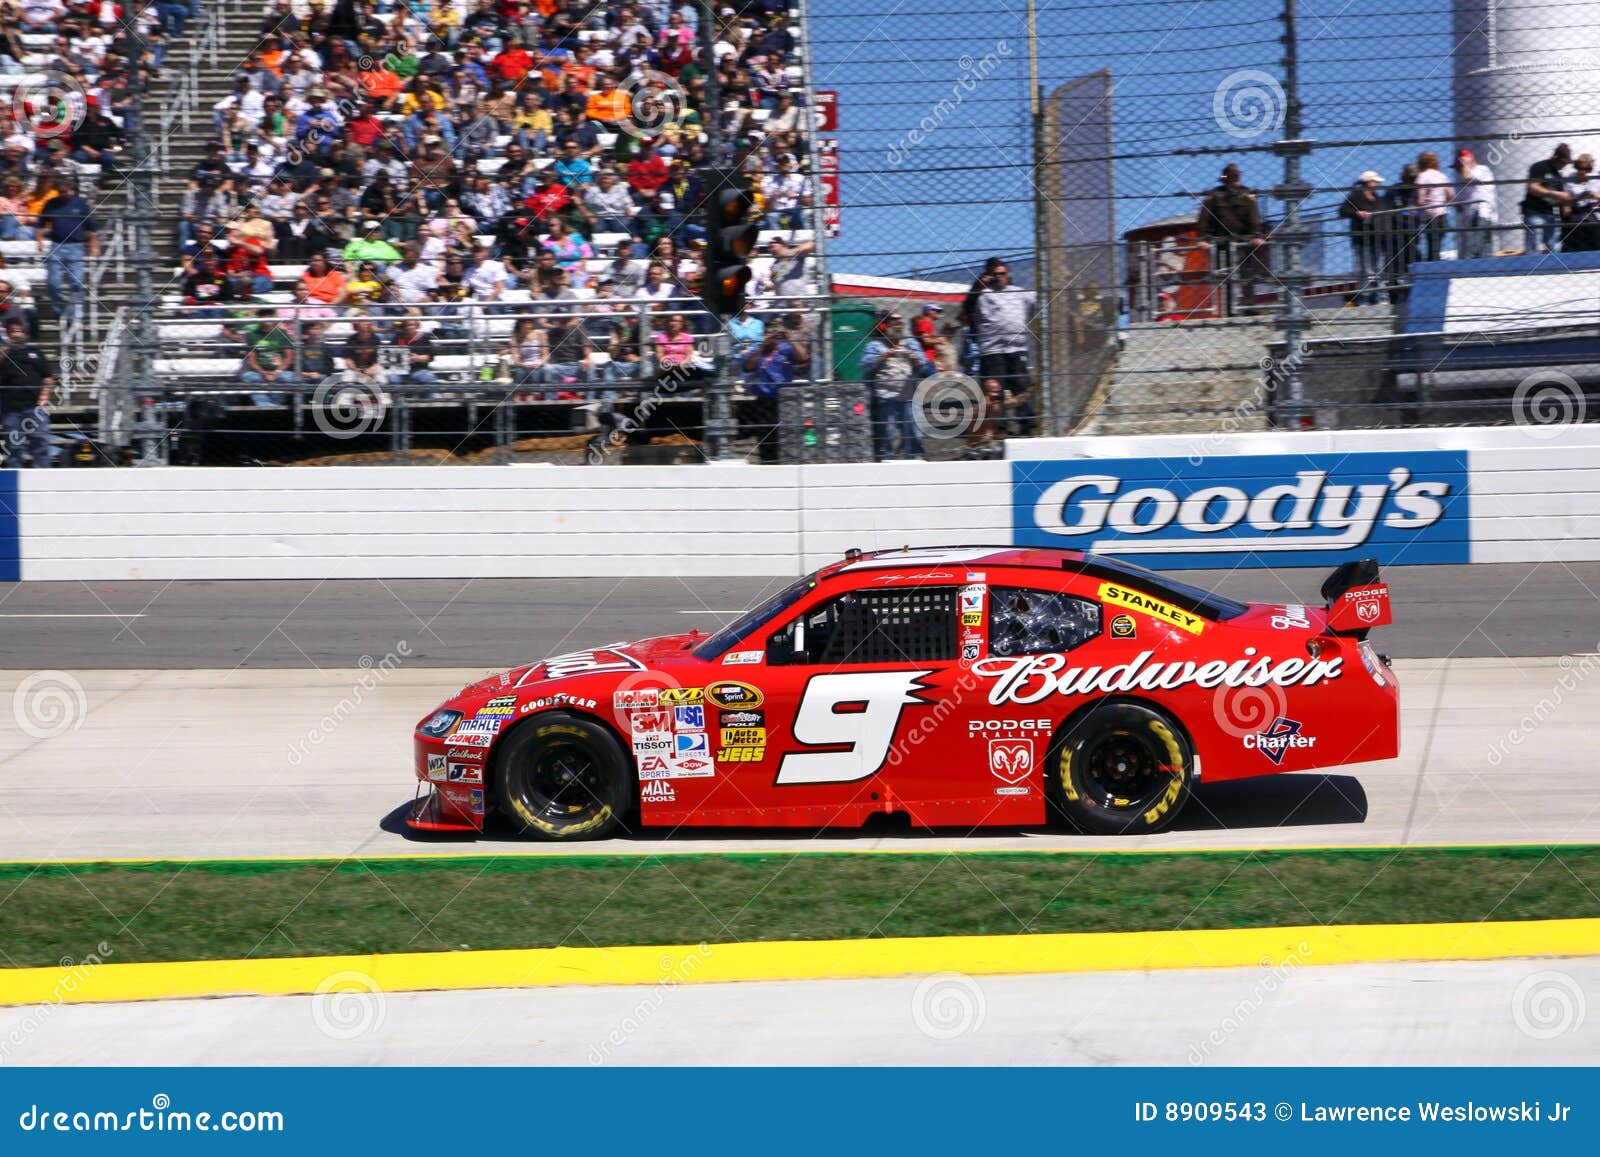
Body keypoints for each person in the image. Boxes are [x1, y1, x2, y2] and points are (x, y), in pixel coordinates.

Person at [959, 256, 1036, 435]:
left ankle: (1027, 425)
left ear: (1008, 274)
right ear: (987, 275)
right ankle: (999, 427)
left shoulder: (1019, 292)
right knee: (994, 390)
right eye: (994, 274)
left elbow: (1040, 304)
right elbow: (966, 309)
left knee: (1021, 385)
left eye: (1002, 274)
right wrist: (977, 286)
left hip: (1016, 348)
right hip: (992, 349)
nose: (999, 277)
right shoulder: (980, 295)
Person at [861, 312, 932, 461]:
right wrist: (884, 356)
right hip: (886, 396)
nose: (899, 326)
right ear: (885, 326)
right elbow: (865, 364)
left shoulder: (910, 343)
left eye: (900, 323)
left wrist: (915, 359)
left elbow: (924, 365)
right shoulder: (875, 345)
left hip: (908, 395)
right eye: (895, 323)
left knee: (913, 430)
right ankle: (888, 458)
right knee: (889, 431)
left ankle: (915, 457)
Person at [1197, 164, 1265, 315]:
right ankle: (1228, 309)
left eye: (1236, 177)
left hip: (1243, 241)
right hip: (1221, 241)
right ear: (1225, 179)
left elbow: (1254, 217)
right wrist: (1203, 238)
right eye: (1231, 177)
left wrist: (1257, 235)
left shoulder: (1247, 194)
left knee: (1247, 273)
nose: (1235, 180)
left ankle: (1249, 307)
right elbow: (1204, 218)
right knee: (1225, 275)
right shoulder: (1213, 196)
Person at [33, 176, 99, 326]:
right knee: (53, 283)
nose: (63, 194)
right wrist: (39, 240)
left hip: (76, 246)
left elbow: (92, 227)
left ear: (71, 189)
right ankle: (58, 311)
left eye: (65, 191)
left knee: (76, 282)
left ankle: (73, 315)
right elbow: (40, 223)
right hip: (56, 245)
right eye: (60, 191)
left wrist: (94, 245)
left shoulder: (81, 204)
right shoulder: (51, 204)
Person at [742, 323, 808, 464]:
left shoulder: (786, 349)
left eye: (775, 333)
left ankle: (788, 460)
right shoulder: (757, 350)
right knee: (765, 435)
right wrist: (763, 346)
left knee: (786, 434)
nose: (772, 336)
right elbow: (747, 366)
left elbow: (803, 357)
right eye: (769, 333)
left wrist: (789, 339)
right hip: (764, 399)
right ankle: (767, 462)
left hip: (784, 399)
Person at [0, 318, 52, 467]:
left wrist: (43, 398)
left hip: (34, 408)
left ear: (25, 332)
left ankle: (42, 483)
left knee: (40, 444)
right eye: (12, 331)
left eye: (18, 330)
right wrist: (5, 350)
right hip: (11, 411)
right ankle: (13, 483)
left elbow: (47, 377)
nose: (16, 334)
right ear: (7, 334)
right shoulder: (4, 355)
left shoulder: (35, 352)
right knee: (14, 448)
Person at [1339, 171, 1386, 304]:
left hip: (1378, 238)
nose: (1378, 184)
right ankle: (1365, 299)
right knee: (1366, 271)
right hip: (1362, 240)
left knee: (1379, 269)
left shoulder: (1378, 199)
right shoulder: (1355, 196)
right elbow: (1343, 210)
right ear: (1368, 182)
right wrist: (1357, 213)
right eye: (1376, 181)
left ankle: (1382, 299)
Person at [1522, 143, 1572, 255]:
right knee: (1534, 246)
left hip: (1551, 215)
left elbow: (1561, 196)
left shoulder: (1558, 176)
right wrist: (1555, 194)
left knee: (1554, 247)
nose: (1564, 166)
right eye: (1564, 163)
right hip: (1535, 212)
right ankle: (1532, 268)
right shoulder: (1540, 167)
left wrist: (1565, 205)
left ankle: (1556, 269)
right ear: (1556, 159)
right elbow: (1533, 188)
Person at [1451, 148, 1496, 260]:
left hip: (1480, 214)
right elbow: (1462, 202)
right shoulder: (1468, 179)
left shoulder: (1481, 169)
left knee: (1475, 249)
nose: (1457, 170)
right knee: (1479, 249)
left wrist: (1465, 162)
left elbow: (1467, 177)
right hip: (1473, 217)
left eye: (1458, 166)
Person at [1414, 151, 1451, 263]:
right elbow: (1450, 194)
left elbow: (1421, 199)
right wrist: (1442, 203)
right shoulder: (1442, 176)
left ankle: (1432, 273)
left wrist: (1417, 206)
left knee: (1432, 248)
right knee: (1437, 247)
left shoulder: (1422, 176)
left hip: (1430, 216)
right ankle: (1435, 269)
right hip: (1442, 214)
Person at [1562, 155, 1600, 253]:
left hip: (1595, 216)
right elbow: (1566, 200)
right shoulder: (1569, 180)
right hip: (1577, 217)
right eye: (1579, 168)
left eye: (1586, 169)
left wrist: (1595, 196)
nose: (1582, 171)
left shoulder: (1596, 178)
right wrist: (1583, 196)